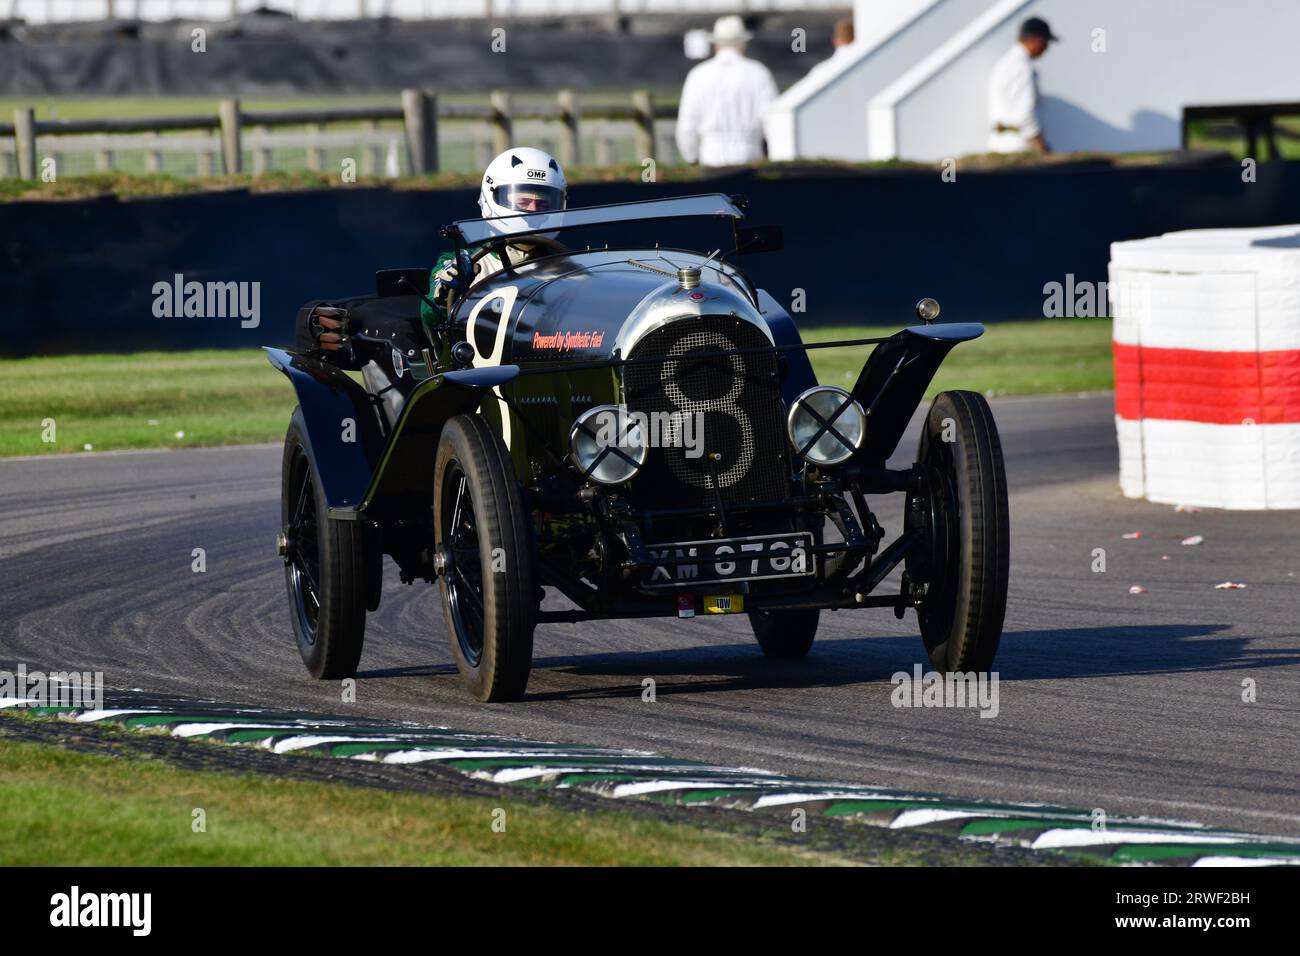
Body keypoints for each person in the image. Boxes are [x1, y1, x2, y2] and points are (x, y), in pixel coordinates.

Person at [308, 146, 568, 355]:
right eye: (523, 201)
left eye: (544, 203)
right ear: (492, 198)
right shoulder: (463, 263)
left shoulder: (571, 269)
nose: (534, 211)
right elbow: (433, 321)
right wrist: (448, 292)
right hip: (480, 374)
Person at [675, 15, 779, 167]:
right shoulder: (759, 73)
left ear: (715, 45)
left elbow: (687, 126)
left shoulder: (698, 75)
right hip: (750, 158)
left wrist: (691, 157)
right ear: (743, 44)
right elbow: (773, 121)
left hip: (711, 158)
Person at [987, 16, 1058, 155]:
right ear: (1035, 39)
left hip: (999, 144)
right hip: (1019, 146)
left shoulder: (1005, 63)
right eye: (1045, 43)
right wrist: (1044, 149)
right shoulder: (1022, 67)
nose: (1046, 49)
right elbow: (1026, 115)